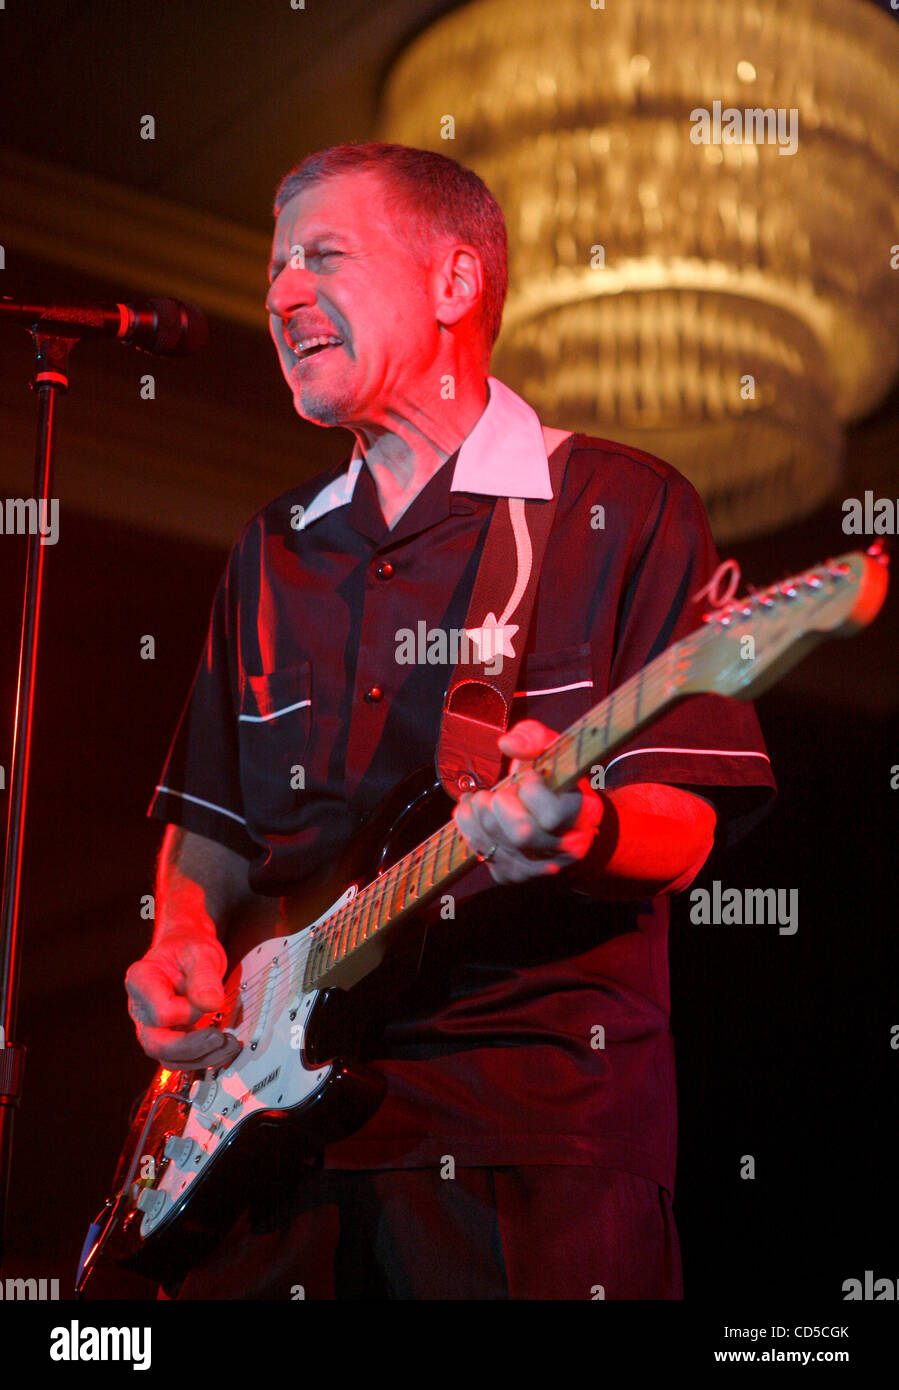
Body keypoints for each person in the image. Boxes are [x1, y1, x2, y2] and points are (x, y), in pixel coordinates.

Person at [124, 142, 776, 1300]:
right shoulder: (270, 549)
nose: (277, 295)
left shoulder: (617, 506)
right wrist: (180, 936)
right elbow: (210, 835)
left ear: (453, 283)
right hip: (267, 1152)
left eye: (322, 256)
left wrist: (581, 832)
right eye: (274, 266)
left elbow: (684, 820)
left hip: (527, 1135)